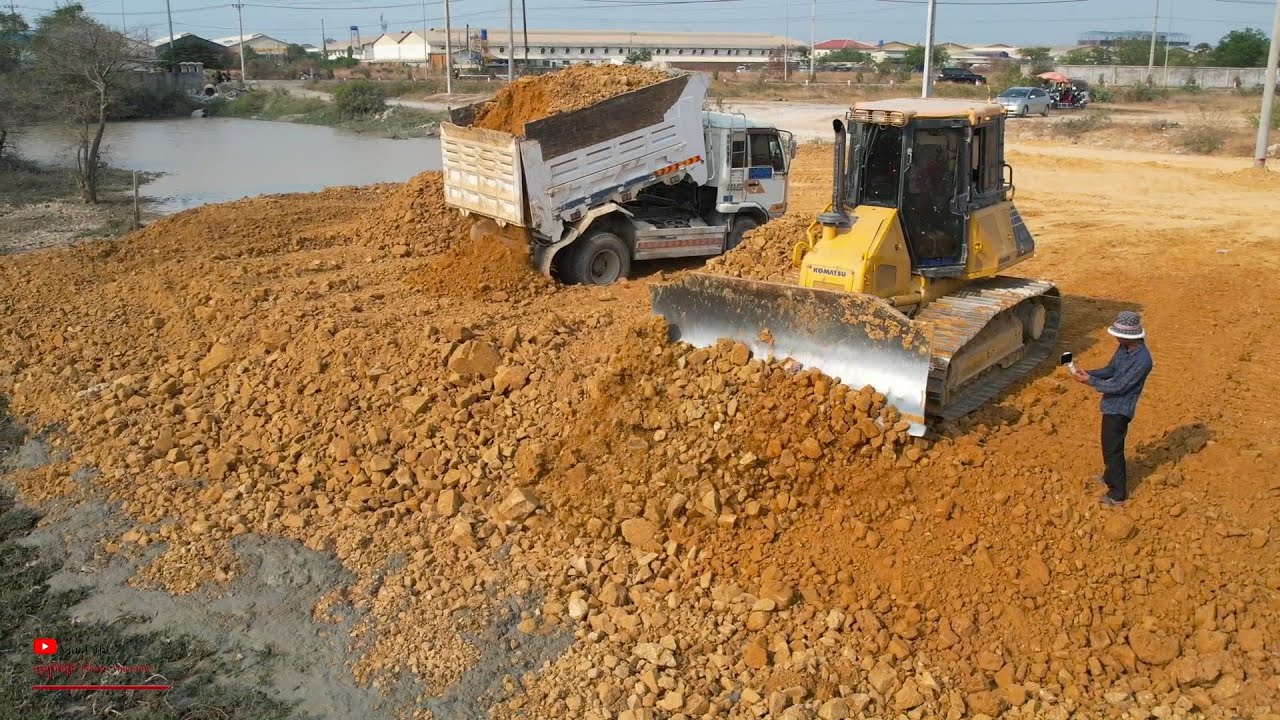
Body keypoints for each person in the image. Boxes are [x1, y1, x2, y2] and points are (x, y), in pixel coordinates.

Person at [1070, 311, 1154, 507]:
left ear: (1129, 336)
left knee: (1113, 450)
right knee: (1109, 447)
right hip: (1111, 406)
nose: (1115, 337)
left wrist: (1090, 381)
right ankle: (1110, 476)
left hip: (1120, 410)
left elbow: (1119, 386)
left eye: (1118, 335)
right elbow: (1111, 370)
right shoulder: (1124, 348)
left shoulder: (1143, 360)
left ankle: (1117, 494)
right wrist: (1088, 373)